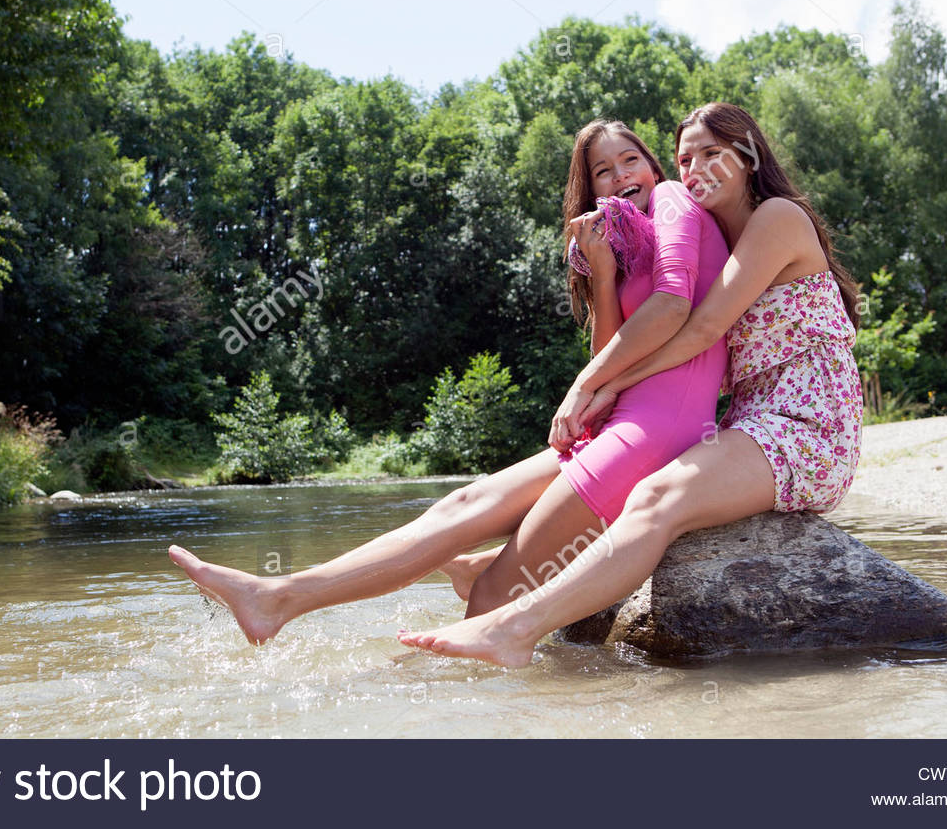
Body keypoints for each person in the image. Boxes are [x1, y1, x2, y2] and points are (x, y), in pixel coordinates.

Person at [167, 119, 728, 643]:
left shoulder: (673, 200)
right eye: (603, 171)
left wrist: (581, 386)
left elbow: (673, 307)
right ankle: (277, 597)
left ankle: (422, 706)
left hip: (657, 433)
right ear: (590, 189)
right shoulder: (626, 244)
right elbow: (612, 350)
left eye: (632, 160)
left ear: (654, 167)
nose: (621, 176)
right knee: (460, 505)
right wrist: (603, 274)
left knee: (494, 592)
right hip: (616, 426)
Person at [397, 102, 864, 666]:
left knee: (654, 497)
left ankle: (514, 630)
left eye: (713, 154)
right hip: (747, 423)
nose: (695, 171)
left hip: (809, 428)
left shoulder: (778, 218)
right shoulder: (711, 231)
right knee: (628, 478)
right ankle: (497, 570)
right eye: (685, 160)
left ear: (748, 155)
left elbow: (702, 328)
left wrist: (604, 387)